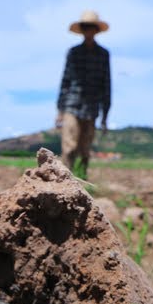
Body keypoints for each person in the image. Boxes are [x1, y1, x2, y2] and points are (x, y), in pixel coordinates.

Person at [55, 10, 111, 178]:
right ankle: (65, 184)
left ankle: (82, 181)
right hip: (72, 105)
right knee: (69, 147)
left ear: (96, 30)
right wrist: (60, 111)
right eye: (85, 27)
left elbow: (106, 84)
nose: (88, 30)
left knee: (85, 149)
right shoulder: (73, 53)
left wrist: (105, 114)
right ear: (82, 29)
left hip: (92, 107)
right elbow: (65, 80)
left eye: (91, 27)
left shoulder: (103, 54)